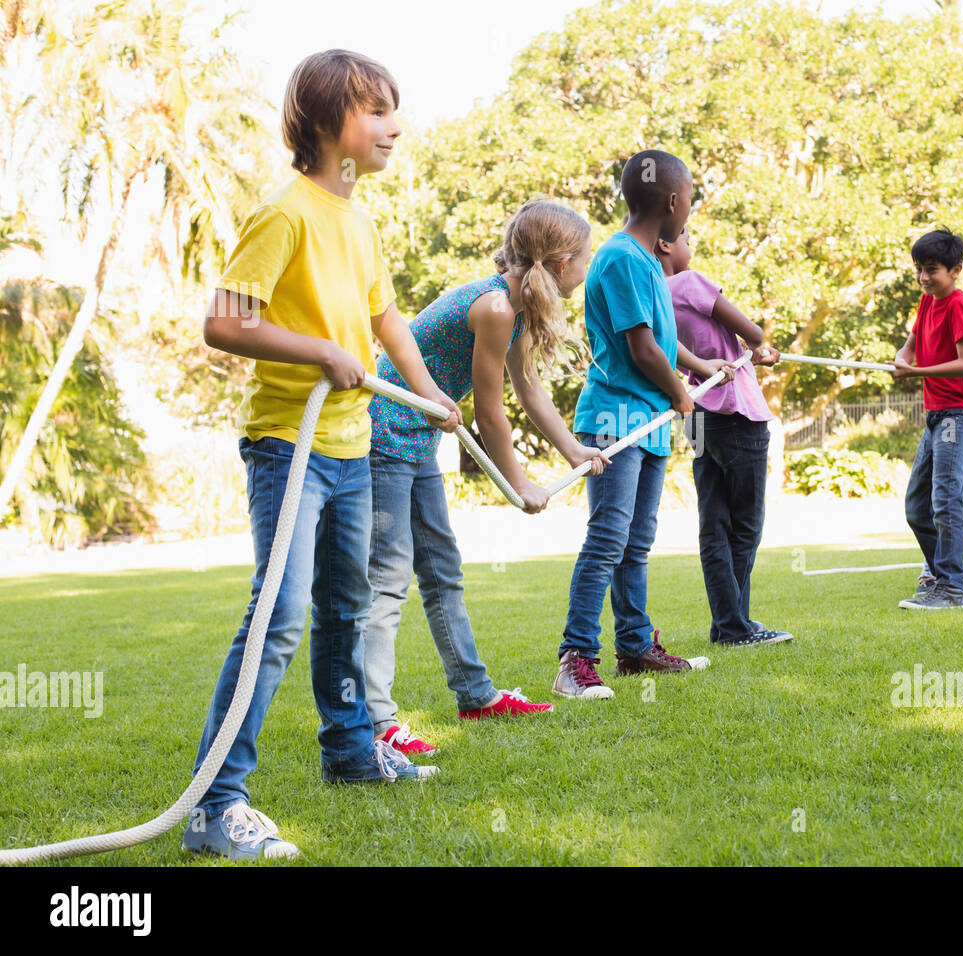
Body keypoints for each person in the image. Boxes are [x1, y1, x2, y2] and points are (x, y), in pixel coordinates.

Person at [186, 50, 463, 861]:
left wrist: (429, 392)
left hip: (354, 447)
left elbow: (388, 322)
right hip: (289, 448)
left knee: (345, 611)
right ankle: (215, 805)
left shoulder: (361, 220)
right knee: (279, 619)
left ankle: (350, 753)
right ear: (323, 121)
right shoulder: (286, 213)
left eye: (393, 110)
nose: (395, 127)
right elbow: (225, 323)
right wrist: (317, 352)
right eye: (376, 111)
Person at [363, 199, 611, 753]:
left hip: (417, 439)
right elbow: (489, 413)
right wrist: (519, 484)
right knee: (387, 579)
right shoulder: (495, 306)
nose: (587, 266)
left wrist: (574, 451)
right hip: (383, 435)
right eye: (586, 256)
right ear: (563, 260)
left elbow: (529, 391)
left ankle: (476, 697)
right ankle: (374, 724)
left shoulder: (518, 305)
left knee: (442, 572)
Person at [553, 149, 734, 699]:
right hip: (615, 421)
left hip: (647, 423)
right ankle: (575, 659)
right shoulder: (622, 258)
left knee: (635, 543)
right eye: (691, 198)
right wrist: (682, 392)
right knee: (608, 539)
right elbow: (640, 348)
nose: (690, 210)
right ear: (674, 201)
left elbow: (661, 337)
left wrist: (703, 367)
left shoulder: (648, 261)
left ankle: (634, 649)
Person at [654, 225, 790, 647]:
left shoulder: (650, 293)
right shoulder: (690, 282)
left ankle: (733, 623)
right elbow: (753, 332)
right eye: (687, 240)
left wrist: (748, 356)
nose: (690, 248)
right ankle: (733, 625)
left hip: (696, 411)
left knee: (713, 524)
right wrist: (758, 348)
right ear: (666, 244)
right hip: (735, 411)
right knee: (746, 524)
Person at [890, 228, 963, 610]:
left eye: (932, 270)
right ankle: (952, 574)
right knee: (916, 505)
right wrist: (902, 359)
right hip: (935, 415)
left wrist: (916, 373)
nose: (924, 278)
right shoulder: (927, 302)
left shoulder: (959, 304)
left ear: (955, 270)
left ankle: (950, 589)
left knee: (945, 500)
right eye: (918, 270)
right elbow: (911, 346)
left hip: (956, 415)